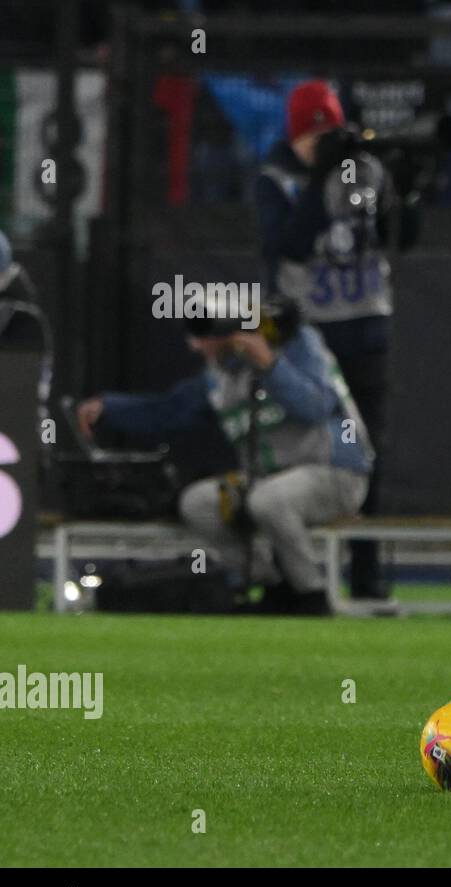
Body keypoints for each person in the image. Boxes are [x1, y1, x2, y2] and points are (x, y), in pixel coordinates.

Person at [76, 308, 373, 616]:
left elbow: (316, 406)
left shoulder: (300, 346)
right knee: (199, 502)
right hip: (270, 482)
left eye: (203, 336)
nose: (196, 346)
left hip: (337, 474)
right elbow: (167, 410)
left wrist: (270, 365)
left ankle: (311, 597)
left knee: (268, 500)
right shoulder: (219, 378)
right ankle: (271, 582)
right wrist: (109, 409)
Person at [256, 80, 416, 601]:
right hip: (309, 338)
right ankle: (288, 577)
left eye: (331, 129)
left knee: (368, 455)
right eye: (315, 133)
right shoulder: (275, 177)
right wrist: (320, 178)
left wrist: (409, 184)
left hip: (367, 329)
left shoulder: (365, 169)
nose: (325, 142)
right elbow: (287, 246)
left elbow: (405, 234)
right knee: (299, 450)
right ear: (298, 134)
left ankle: (367, 579)